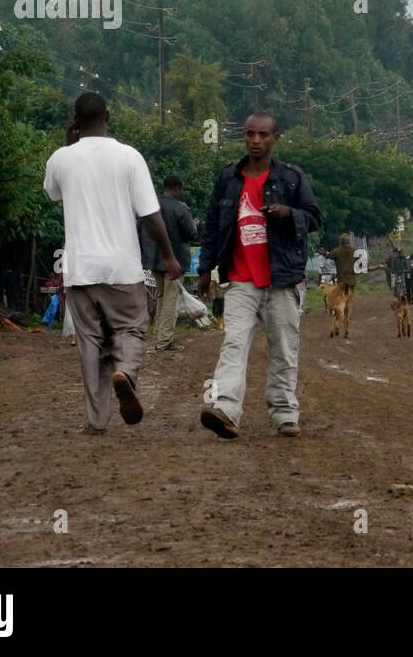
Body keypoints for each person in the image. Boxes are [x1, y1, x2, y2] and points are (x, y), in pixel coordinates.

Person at [44, 93, 182, 435]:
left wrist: (68, 143)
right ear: (108, 116)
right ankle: (127, 374)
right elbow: (150, 215)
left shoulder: (61, 158)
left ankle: (96, 421)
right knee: (132, 329)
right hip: (122, 268)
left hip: (80, 271)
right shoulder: (129, 157)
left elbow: (53, 193)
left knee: (91, 343)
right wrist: (168, 256)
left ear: (75, 121)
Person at [196, 111, 322, 440]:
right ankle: (225, 409)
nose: (255, 140)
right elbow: (212, 226)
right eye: (250, 134)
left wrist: (287, 213)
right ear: (244, 136)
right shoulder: (228, 178)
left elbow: (313, 217)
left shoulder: (293, 179)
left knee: (283, 348)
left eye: (263, 135)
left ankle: (284, 413)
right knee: (233, 343)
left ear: (275, 139)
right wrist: (205, 269)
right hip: (240, 280)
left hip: (282, 280)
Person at [138, 175, 198, 352]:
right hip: (175, 261)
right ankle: (164, 341)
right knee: (171, 301)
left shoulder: (150, 207)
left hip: (153, 260)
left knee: (161, 299)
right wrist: (195, 225)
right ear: (177, 188)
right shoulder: (180, 208)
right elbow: (191, 234)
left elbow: (139, 230)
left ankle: (159, 338)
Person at [329, 232, 361, 317]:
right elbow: (359, 262)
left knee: (341, 298)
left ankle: (341, 312)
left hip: (341, 279)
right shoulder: (354, 251)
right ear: (349, 241)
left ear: (341, 241)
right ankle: (348, 315)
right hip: (351, 279)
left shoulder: (337, 251)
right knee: (349, 298)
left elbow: (330, 255)